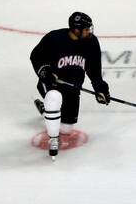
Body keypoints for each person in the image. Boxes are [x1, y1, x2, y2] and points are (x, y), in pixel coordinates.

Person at [31, 11, 109, 161]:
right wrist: (44, 71)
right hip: (52, 83)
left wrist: (100, 89)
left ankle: (45, 110)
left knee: (66, 129)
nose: (89, 32)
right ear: (76, 30)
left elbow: (94, 69)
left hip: (73, 88)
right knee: (54, 97)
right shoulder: (54, 39)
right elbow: (36, 56)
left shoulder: (91, 43)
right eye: (86, 29)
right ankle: (53, 139)